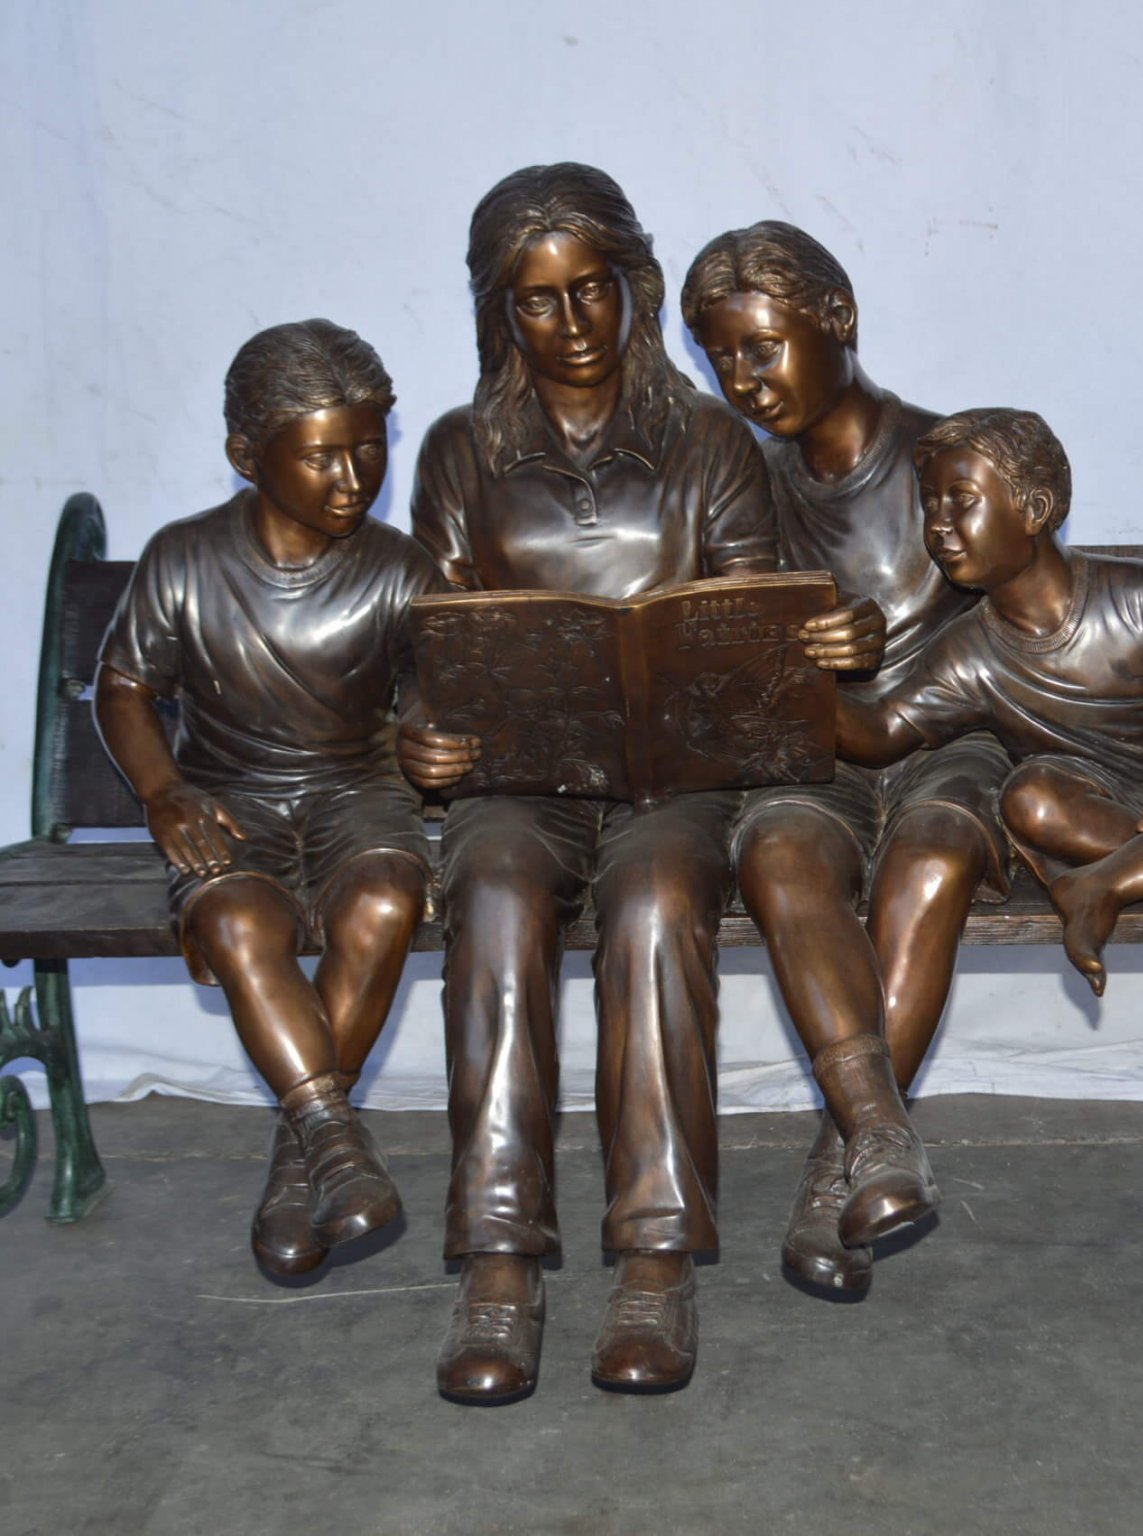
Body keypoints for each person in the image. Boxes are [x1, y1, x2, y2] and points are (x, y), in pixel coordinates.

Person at [403, 165, 932, 1402]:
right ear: (500, 315)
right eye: (538, 302)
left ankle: (655, 1255)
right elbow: (421, 644)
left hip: (675, 784)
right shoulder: (459, 452)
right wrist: (419, 734)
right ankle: (497, 1262)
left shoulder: (706, 441)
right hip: (519, 779)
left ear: (632, 288)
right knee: (488, 893)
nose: (573, 321)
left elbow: (749, 615)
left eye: (594, 289)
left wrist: (771, 653)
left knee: (651, 911)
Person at [682, 223, 1007, 1295]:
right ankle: (878, 1132)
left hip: (949, 748)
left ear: (841, 322)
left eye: (763, 347)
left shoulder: (947, 460)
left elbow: (1029, 617)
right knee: (776, 851)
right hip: (813, 761)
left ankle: (837, 1170)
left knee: (932, 859)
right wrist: (791, 653)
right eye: (720, 356)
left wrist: (892, 646)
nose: (744, 379)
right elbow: (725, 656)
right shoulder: (742, 486)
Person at [94, 319, 440, 1281]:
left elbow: (430, 703)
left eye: (369, 448)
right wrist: (163, 790)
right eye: (322, 456)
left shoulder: (399, 571)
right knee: (240, 917)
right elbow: (124, 689)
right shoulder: (185, 559)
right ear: (249, 457)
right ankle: (333, 1136)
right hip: (231, 802)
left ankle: (303, 1160)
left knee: (380, 901)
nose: (353, 477)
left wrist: (431, 741)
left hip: (358, 798)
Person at [834, 407, 1143, 995]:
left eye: (962, 499)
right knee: (1028, 799)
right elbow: (880, 733)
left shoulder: (1139, 597)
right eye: (930, 503)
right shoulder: (966, 651)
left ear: (1033, 510)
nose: (939, 524)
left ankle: (1101, 884)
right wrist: (792, 676)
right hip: (1089, 808)